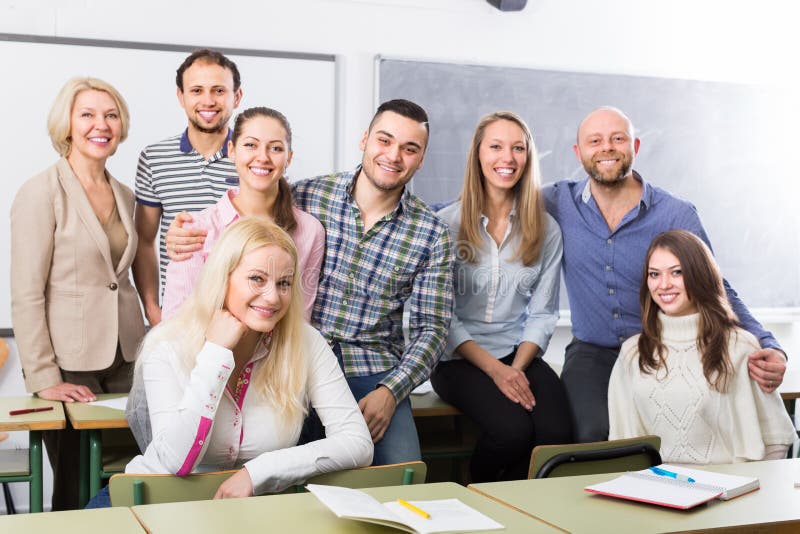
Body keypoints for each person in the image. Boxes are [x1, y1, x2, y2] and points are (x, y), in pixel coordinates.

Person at [166, 99, 454, 465]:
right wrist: (185, 234)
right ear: (364, 139)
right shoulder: (310, 196)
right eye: (384, 140)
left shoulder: (432, 233)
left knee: (403, 470)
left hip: (372, 372)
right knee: (277, 466)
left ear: (421, 158)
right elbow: (254, 199)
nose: (394, 155)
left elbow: (432, 329)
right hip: (293, 364)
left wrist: (391, 391)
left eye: (409, 148)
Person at [86, 217, 371, 507]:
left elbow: (358, 443)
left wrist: (258, 472)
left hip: (249, 507)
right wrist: (216, 353)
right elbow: (176, 462)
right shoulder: (167, 344)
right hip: (155, 501)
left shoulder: (306, 342)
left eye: (283, 283)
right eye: (257, 278)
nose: (273, 297)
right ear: (223, 277)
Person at [543, 106, 788, 442]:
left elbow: (716, 288)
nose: (606, 147)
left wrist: (770, 345)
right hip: (592, 354)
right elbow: (497, 196)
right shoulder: (557, 202)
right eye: (595, 141)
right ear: (578, 152)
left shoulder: (675, 213)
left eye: (618, 138)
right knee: (594, 434)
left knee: (672, 433)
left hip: (663, 347)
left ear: (635, 146)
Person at [10, 77, 146, 510]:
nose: (100, 124)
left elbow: (121, 278)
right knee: (74, 486)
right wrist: (44, 377)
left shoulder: (126, 195)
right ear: (66, 124)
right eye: (87, 114)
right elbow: (26, 292)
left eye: (110, 115)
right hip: (69, 364)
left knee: (130, 478)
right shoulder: (40, 192)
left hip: (127, 359)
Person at [431, 112, 573, 482]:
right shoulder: (445, 225)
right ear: (478, 154)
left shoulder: (546, 229)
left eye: (518, 148)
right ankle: (477, 491)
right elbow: (443, 317)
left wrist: (515, 369)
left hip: (517, 352)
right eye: (496, 147)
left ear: (528, 157)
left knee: (557, 434)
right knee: (512, 432)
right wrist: (497, 371)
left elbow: (543, 314)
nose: (507, 158)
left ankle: (526, 504)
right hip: (457, 360)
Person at [608, 230, 796, 463]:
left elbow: (776, 439)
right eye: (654, 274)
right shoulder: (632, 353)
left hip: (730, 483)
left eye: (677, 272)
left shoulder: (740, 347)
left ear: (700, 274)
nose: (664, 284)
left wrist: (749, 481)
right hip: (657, 483)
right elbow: (622, 447)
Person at [161, 107, 324, 320]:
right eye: (250, 145)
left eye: (275, 148)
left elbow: (299, 319)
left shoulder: (310, 231)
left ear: (289, 158)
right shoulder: (196, 229)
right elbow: (175, 323)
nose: (263, 157)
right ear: (232, 150)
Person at [133, 49, 242, 327]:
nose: (208, 100)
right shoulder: (154, 158)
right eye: (196, 90)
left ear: (237, 96)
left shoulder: (253, 158)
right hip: (177, 315)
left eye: (219, 90)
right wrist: (152, 308)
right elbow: (144, 240)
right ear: (181, 97)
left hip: (239, 315)